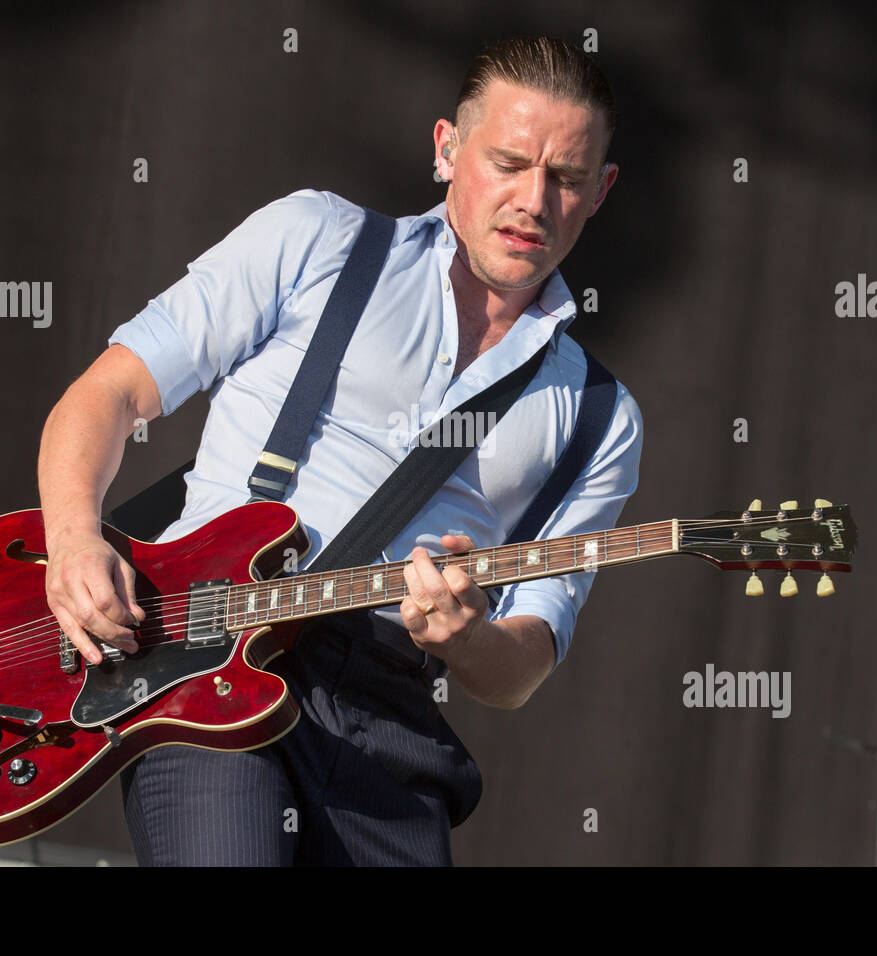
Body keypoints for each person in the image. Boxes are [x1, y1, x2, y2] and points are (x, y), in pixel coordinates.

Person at [36, 35, 643, 865]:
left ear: (601, 191)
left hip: (386, 719)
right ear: (447, 149)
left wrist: (468, 640)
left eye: (567, 177)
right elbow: (105, 395)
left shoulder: (600, 417)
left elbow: (522, 663)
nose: (534, 200)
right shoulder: (315, 239)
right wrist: (72, 537)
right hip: (205, 656)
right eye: (508, 161)